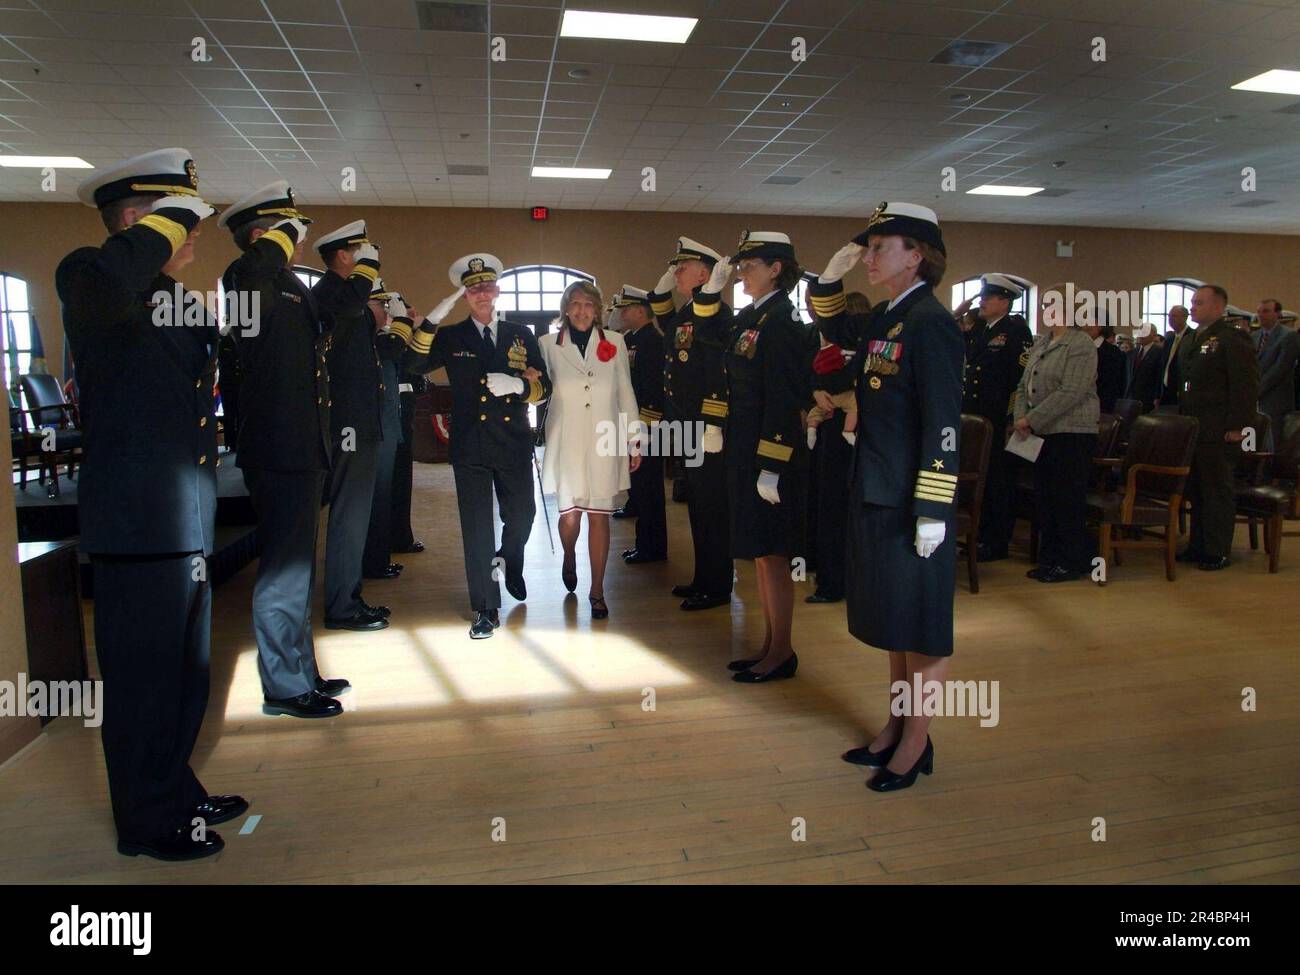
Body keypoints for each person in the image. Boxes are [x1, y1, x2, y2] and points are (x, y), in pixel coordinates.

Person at [59, 148, 244, 859]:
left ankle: (178, 792)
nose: (197, 233)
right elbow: (112, 278)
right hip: (135, 527)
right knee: (140, 687)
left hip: (184, 522)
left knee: (183, 677)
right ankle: (145, 822)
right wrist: (159, 232)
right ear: (138, 221)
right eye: (184, 220)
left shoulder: (172, 301)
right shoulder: (91, 276)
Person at [811, 202, 962, 792]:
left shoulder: (932, 324)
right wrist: (827, 279)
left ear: (917, 255)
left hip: (911, 499)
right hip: (876, 488)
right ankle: (897, 726)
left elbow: (943, 425)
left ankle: (918, 744)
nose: (869, 258)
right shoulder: (888, 316)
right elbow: (830, 326)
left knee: (920, 626)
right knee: (895, 623)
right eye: (868, 248)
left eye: (880, 247)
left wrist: (932, 509)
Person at [220, 181, 350, 718]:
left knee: (298, 569)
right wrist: (272, 245)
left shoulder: (287, 283)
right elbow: (247, 275)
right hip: (276, 448)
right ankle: (283, 686)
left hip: (301, 447)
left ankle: (301, 672)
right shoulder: (248, 277)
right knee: (283, 570)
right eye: (287, 228)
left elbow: (337, 309)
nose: (298, 237)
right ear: (263, 234)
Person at [400, 254, 550, 638]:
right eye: (474, 288)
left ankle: (510, 560)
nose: (482, 293)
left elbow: (543, 387)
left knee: (522, 517)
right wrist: (429, 323)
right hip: (471, 446)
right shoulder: (450, 336)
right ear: (466, 296)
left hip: (514, 442)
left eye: (487, 286)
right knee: (477, 529)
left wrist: (520, 385)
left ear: (497, 291)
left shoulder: (521, 334)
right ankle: (485, 606)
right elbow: (412, 367)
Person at [693, 232, 811, 681]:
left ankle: (781, 651)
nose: (741, 272)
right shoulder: (753, 316)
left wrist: (772, 465)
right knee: (761, 556)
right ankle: (770, 644)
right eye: (740, 265)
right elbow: (707, 339)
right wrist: (709, 293)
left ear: (776, 268)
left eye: (750, 265)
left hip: (768, 456)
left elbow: (783, 398)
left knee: (774, 555)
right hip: (747, 450)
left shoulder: (782, 320)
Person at [538, 281, 642, 618]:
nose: (582, 311)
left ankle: (597, 590)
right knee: (569, 516)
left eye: (588, 305)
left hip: (604, 439)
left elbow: (625, 392)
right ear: (566, 309)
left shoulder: (614, 342)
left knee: (600, 517)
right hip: (566, 439)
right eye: (575, 304)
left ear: (597, 310)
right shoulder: (547, 345)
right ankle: (569, 555)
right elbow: (538, 389)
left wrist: (633, 438)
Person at [310, 221, 393, 632]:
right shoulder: (332, 295)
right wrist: (367, 275)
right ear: (343, 256)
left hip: (360, 422)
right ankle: (342, 605)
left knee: (354, 515)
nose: (369, 257)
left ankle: (350, 596)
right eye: (361, 250)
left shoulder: (346, 297)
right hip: (347, 424)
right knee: (348, 515)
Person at [647, 237, 735, 611]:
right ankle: (704, 577)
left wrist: (713, 423)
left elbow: (719, 373)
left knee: (712, 509)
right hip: (687, 427)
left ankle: (717, 587)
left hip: (707, 429)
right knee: (697, 506)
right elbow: (660, 309)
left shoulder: (716, 315)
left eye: (682, 268)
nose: (677, 273)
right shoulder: (689, 314)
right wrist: (664, 282)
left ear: (704, 273)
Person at [1013, 300, 1100, 583]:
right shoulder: (1043, 342)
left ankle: (1071, 561)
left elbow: (1072, 391)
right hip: (1040, 432)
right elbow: (1023, 385)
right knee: (1045, 497)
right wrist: (1020, 416)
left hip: (1070, 432)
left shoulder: (1080, 343)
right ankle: (1049, 559)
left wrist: (1032, 419)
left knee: (1066, 498)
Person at [1176, 284, 1259, 571]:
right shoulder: (1194, 338)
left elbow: (1244, 386)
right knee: (1197, 489)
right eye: (1192, 302)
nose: (1193, 307)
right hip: (1195, 427)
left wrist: (1238, 426)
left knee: (1217, 489)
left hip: (1219, 427)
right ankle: (1198, 545)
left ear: (1217, 306)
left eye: (1199, 302)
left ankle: (1217, 549)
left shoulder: (1231, 337)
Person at [961, 274, 1033, 562]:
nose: (982, 301)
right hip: (977, 416)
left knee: (999, 482)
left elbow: (1020, 381)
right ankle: (980, 535)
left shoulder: (1015, 331)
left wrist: (1010, 419)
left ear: (1004, 301)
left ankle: (996, 541)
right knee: (982, 480)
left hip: (998, 416)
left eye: (988, 297)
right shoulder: (981, 329)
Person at [804, 300, 861, 604]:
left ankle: (835, 582)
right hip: (828, 425)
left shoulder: (856, 344)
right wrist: (816, 390)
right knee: (823, 502)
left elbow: (855, 378)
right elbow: (811, 373)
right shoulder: (819, 340)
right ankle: (825, 572)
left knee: (836, 507)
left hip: (847, 432)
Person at [615, 286, 668, 565]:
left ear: (639, 311)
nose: (621, 314)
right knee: (640, 485)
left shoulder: (652, 341)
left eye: (626, 309)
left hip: (648, 426)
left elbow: (652, 390)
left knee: (649, 489)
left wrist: (643, 428)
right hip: (634, 423)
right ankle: (645, 543)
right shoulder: (633, 340)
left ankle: (653, 547)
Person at [361, 280, 408, 580]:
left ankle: (378, 559)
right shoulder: (370, 340)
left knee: (382, 498)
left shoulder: (379, 339)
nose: (386, 312)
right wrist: (405, 322)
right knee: (375, 501)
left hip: (386, 429)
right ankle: (373, 563)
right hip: (374, 433)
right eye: (381, 306)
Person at [385, 301, 425, 555]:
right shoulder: (391, 343)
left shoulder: (403, 344)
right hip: (392, 421)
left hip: (403, 420)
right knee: (394, 483)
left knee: (400, 482)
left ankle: (401, 536)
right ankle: (397, 538)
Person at [1253, 298, 1299, 450]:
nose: (1261, 315)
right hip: (1254, 400)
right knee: (1255, 442)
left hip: (1276, 400)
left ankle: (1269, 472)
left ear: (1277, 314)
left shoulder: (1288, 336)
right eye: (1259, 312)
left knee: (1273, 442)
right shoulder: (1254, 336)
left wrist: (1256, 391)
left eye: (1266, 311)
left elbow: (1280, 369)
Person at [1083, 323, 1126, 413]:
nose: (1086, 326)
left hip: (1101, 405)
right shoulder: (1080, 349)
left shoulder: (1112, 352)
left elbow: (1112, 384)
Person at [1124, 325, 1165, 412]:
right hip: (1129, 398)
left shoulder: (1159, 353)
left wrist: (1157, 397)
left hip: (1148, 399)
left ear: (1154, 335)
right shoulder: (1132, 353)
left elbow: (1159, 377)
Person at [1159, 305, 1192, 407]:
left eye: (1174, 316)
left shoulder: (1192, 337)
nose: (1170, 319)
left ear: (1185, 317)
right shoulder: (1169, 339)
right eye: (1169, 316)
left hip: (1181, 391)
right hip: (1165, 391)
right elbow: (1164, 366)